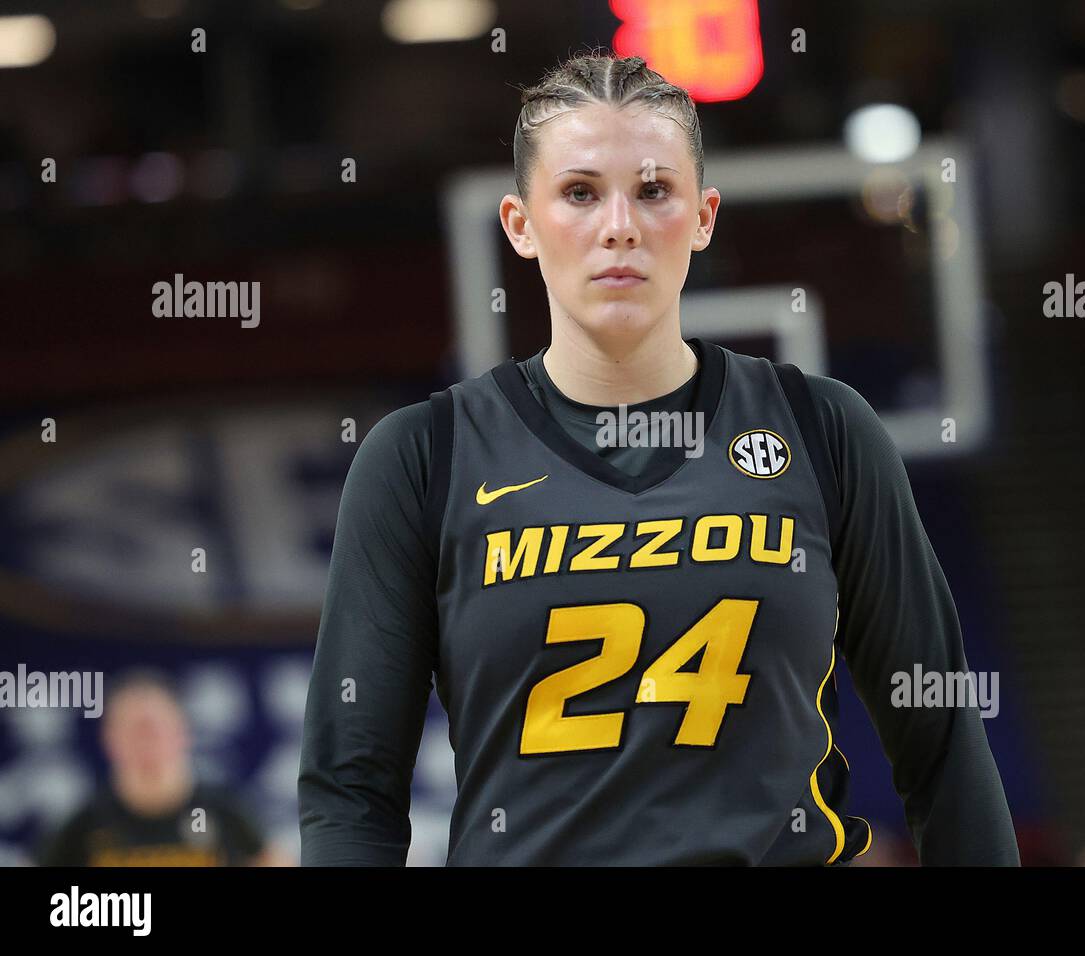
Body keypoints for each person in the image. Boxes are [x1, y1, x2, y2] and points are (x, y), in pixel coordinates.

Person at [298, 52, 1018, 866]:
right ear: (519, 224)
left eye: (652, 191)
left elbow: (945, 742)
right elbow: (352, 789)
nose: (619, 226)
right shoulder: (422, 459)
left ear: (704, 215)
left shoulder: (825, 431)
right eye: (578, 193)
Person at [38, 669, 282, 867]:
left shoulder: (224, 811)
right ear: (109, 739)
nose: (146, 743)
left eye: (155, 729)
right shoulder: (85, 823)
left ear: (182, 733)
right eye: (134, 731)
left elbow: (273, 861)